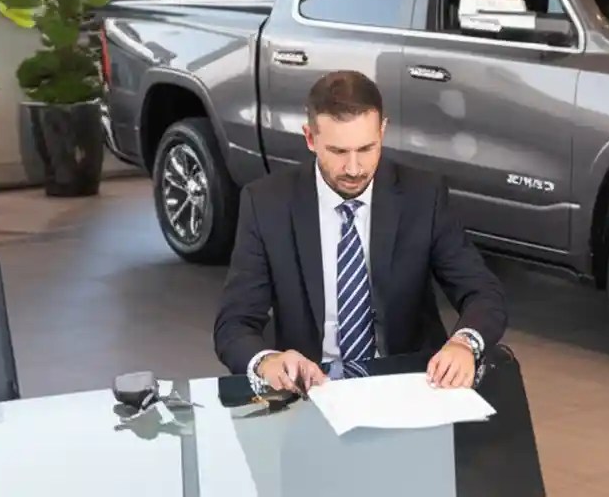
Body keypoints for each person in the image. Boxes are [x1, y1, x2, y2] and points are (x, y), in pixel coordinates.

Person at [213, 70, 507, 392]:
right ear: (310, 138)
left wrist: (464, 344)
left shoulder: (423, 195)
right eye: (338, 152)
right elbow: (234, 324)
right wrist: (266, 361)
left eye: (367, 149)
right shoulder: (266, 203)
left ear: (383, 131)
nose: (354, 169)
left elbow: (483, 292)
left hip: (408, 383)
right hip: (311, 388)